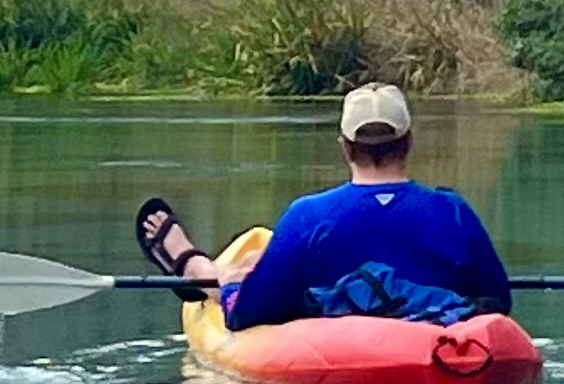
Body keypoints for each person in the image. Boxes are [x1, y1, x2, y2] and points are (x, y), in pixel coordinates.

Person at [137, 85, 513, 328]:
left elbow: (250, 313)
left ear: (345, 146)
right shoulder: (453, 211)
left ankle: (197, 267)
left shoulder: (308, 216)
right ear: (410, 142)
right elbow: (498, 302)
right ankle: (200, 267)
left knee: (238, 281)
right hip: (433, 346)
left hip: (337, 352)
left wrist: (237, 284)